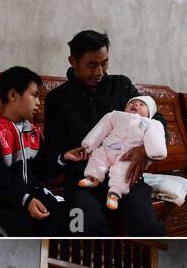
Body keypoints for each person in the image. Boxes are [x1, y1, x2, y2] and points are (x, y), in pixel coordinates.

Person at [39, 30, 168, 236]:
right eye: (92, 65)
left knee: (147, 227)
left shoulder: (122, 86)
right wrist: (64, 156)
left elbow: (157, 120)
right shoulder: (58, 98)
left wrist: (144, 150)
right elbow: (52, 150)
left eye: (104, 63)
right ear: (73, 61)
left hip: (126, 175)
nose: (100, 71)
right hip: (82, 179)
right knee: (81, 226)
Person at [0, 66, 78, 236]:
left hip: (33, 194)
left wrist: (63, 158)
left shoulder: (33, 132)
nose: (38, 102)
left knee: (64, 222)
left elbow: (41, 170)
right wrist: (25, 199)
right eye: (34, 95)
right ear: (13, 95)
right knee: (25, 232)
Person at [77, 95, 167, 210]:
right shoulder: (116, 115)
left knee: (124, 170)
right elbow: (101, 128)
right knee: (97, 156)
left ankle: (114, 194)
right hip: (109, 148)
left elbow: (155, 138)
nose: (135, 105)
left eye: (141, 104)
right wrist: (89, 144)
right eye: (132, 103)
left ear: (149, 113)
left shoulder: (151, 123)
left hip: (129, 154)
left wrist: (155, 151)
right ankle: (92, 177)